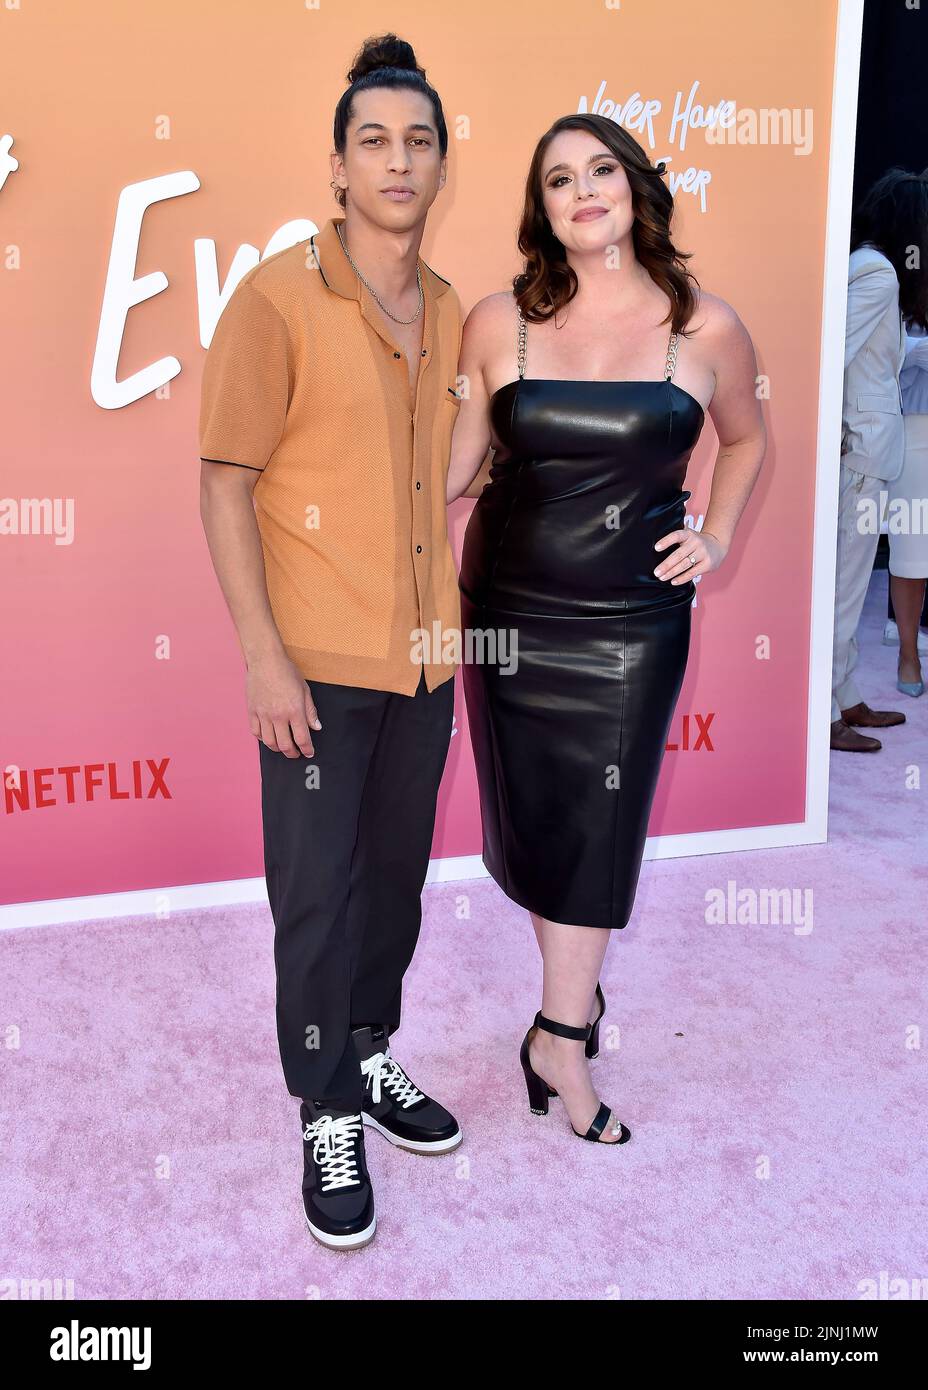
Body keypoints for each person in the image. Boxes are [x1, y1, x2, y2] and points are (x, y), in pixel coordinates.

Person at [447, 114, 765, 1145]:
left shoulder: (703, 324)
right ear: (539, 209)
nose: (582, 190)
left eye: (598, 171)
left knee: (600, 827)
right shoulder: (500, 321)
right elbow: (453, 472)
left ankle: (561, 1034)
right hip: (509, 616)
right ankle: (560, 1025)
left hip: (632, 623)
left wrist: (713, 536)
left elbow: (749, 438)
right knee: (540, 821)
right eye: (556, 180)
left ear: (634, 187)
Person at [198, 33, 463, 1250]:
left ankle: (366, 1055)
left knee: (395, 889)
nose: (397, 160)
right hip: (311, 669)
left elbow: (444, 469)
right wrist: (262, 655)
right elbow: (223, 480)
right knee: (316, 896)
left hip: (425, 663)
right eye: (374, 140)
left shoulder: (456, 311)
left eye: (417, 139)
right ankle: (322, 1106)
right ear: (339, 166)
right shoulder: (275, 297)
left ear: (440, 163)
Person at [831, 170, 928, 748]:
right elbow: (832, 355)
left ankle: (846, 698)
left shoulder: (871, 266)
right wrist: (843, 432)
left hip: (868, 452)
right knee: (845, 588)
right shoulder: (879, 272)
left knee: (850, 584)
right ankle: (827, 717)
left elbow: (878, 351)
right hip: (862, 453)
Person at [887, 172, 928, 696]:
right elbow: (883, 358)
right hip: (915, 423)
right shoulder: (894, 270)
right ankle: (907, 654)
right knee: (913, 545)